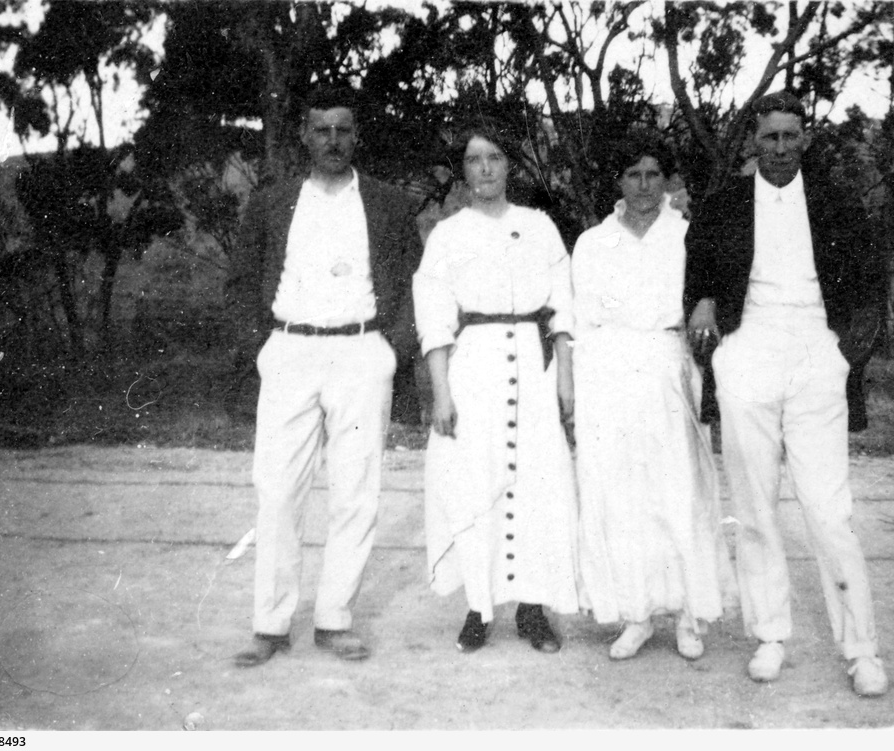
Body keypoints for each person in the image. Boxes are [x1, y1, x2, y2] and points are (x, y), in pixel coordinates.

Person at [684, 91, 888, 696]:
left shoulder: (836, 205)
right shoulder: (723, 207)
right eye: (768, 137)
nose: (779, 148)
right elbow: (698, 282)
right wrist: (706, 314)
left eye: (789, 137)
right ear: (754, 141)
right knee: (755, 507)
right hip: (748, 351)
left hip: (815, 353)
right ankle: (769, 635)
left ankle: (862, 649)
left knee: (829, 511)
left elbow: (871, 287)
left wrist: (841, 355)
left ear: (805, 139)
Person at [227, 84, 423, 666]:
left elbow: (415, 283)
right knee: (278, 490)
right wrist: (261, 348)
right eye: (322, 129)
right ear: (304, 136)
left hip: (362, 354)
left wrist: (393, 350)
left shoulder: (387, 204)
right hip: (290, 351)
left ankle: (335, 619)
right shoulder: (272, 202)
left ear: (356, 136)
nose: (333, 140)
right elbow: (240, 284)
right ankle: (270, 623)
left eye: (343, 129)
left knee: (355, 493)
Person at [413, 125, 580, 654]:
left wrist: (566, 382)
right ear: (463, 170)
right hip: (475, 366)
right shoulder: (447, 234)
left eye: (495, 158)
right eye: (473, 159)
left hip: (534, 366)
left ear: (510, 167)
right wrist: (441, 394)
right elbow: (434, 318)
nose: (485, 169)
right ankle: (479, 608)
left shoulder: (539, 227)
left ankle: (532, 609)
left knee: (536, 485)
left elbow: (564, 310)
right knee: (471, 483)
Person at [571, 137, 736, 661]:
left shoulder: (690, 236)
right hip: (608, 371)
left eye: (653, 174)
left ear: (667, 180)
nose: (644, 185)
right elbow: (580, 321)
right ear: (617, 181)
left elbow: (709, 307)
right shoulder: (593, 242)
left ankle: (690, 616)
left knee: (679, 492)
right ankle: (636, 614)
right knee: (620, 498)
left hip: (668, 367)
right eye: (633, 174)